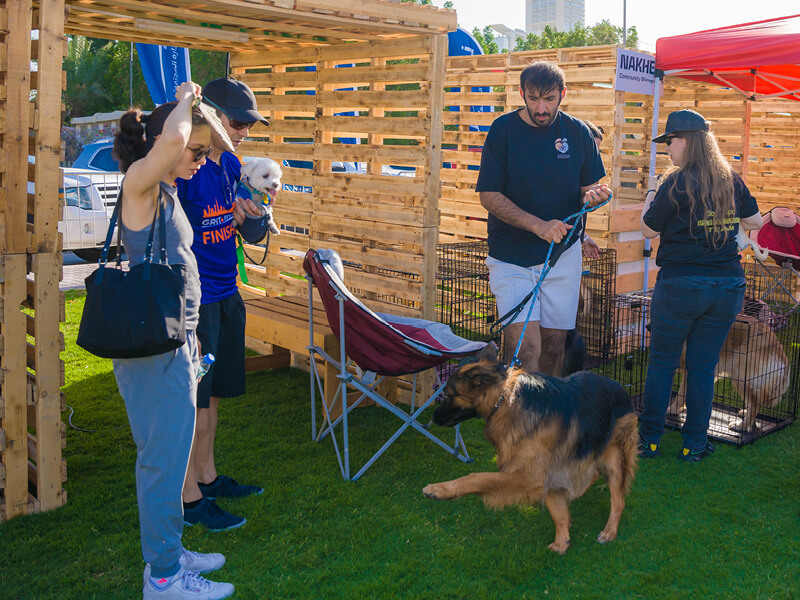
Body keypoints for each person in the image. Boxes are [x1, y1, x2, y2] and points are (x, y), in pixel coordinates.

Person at [112, 82, 234, 599]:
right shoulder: (139, 185)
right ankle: (163, 579)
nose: (203, 162)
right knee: (163, 464)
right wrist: (187, 99)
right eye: (196, 151)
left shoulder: (165, 189)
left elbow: (217, 148)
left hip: (176, 347)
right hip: (154, 354)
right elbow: (171, 142)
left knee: (172, 454)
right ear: (167, 139)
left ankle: (171, 552)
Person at [638, 109, 762, 463]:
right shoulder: (731, 179)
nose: (668, 150)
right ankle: (694, 444)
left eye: (670, 142)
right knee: (703, 366)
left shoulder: (675, 182)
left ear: (689, 141)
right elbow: (753, 220)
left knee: (662, 363)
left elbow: (648, 229)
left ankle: (649, 441)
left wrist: (651, 193)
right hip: (726, 286)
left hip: (681, 285)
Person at [476, 60, 611, 375]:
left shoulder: (578, 132)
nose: (541, 107)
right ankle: (522, 420)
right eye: (533, 98)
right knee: (525, 350)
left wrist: (595, 197)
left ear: (563, 94)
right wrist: (538, 225)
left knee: (553, 346)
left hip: (562, 257)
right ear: (521, 93)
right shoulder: (502, 130)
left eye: (549, 99)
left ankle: (548, 419)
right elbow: (489, 195)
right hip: (511, 257)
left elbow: (591, 188)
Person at [177, 78, 268, 531]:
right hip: (196, 304)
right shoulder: (188, 167)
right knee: (192, 400)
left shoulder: (231, 164)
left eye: (249, 125)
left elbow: (243, 231)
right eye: (238, 122)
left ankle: (208, 477)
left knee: (210, 396)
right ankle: (189, 493)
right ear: (210, 114)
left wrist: (254, 218)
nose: (244, 132)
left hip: (226, 294)